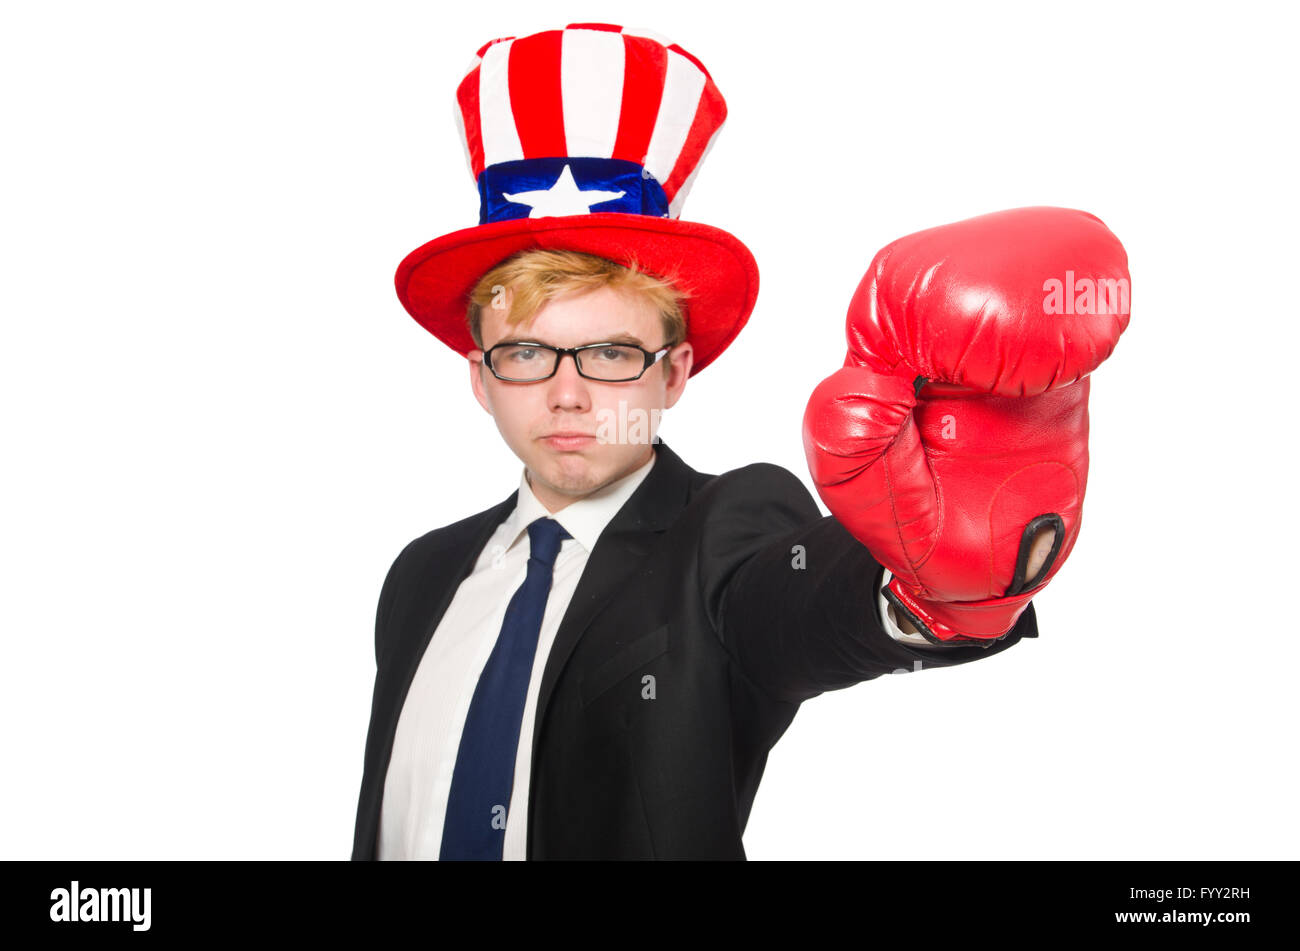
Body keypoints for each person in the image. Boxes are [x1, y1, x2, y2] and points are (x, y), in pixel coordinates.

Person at [350, 23, 1127, 860]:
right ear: (481, 376)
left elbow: (802, 607)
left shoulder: (723, 533)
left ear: (674, 372)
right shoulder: (420, 576)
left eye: (610, 353)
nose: (567, 393)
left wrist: (930, 586)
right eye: (528, 353)